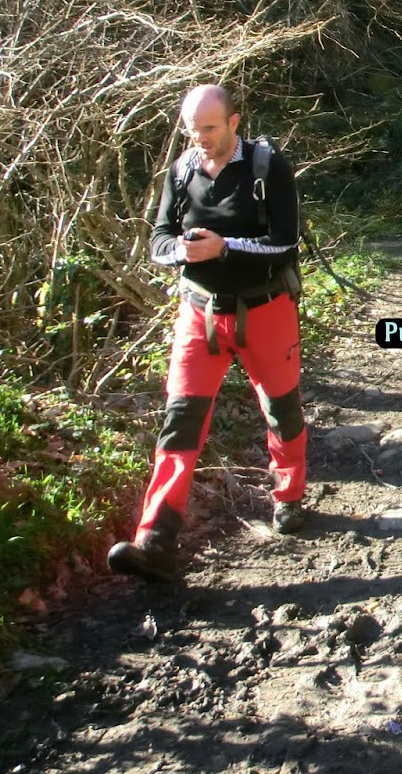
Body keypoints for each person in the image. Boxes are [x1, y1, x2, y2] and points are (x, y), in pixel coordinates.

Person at [108, 84, 308, 581]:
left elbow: (284, 243)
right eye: (192, 128)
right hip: (198, 315)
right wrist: (185, 251)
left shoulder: (267, 168)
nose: (199, 138)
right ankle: (154, 541)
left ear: (234, 122)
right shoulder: (181, 170)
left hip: (265, 309)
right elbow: (157, 241)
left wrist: (225, 247)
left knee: (281, 408)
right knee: (180, 420)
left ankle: (288, 495)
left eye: (210, 128)